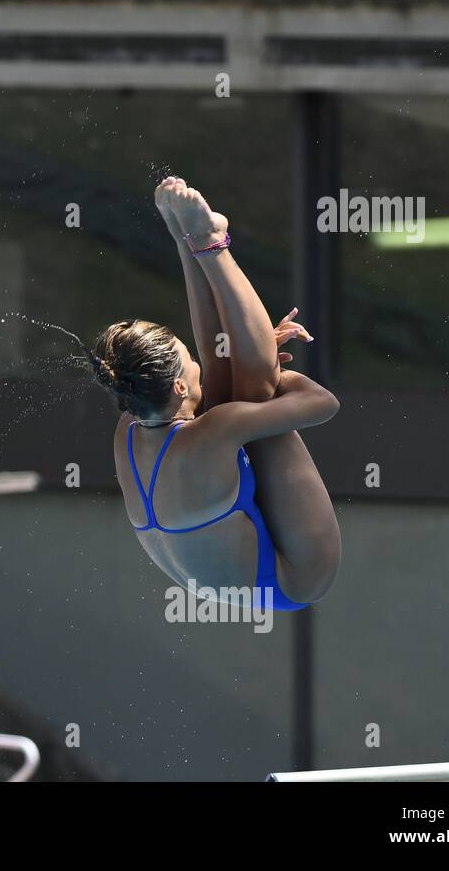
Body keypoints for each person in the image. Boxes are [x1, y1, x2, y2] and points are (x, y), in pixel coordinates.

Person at [88, 177, 341, 610]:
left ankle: (195, 242)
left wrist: (255, 346)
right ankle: (204, 244)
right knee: (254, 391)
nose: (199, 358)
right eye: (190, 359)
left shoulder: (138, 427)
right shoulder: (165, 426)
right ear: (179, 386)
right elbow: (322, 404)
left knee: (235, 382)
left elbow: (220, 370)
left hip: (227, 564)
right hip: (293, 575)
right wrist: (273, 367)